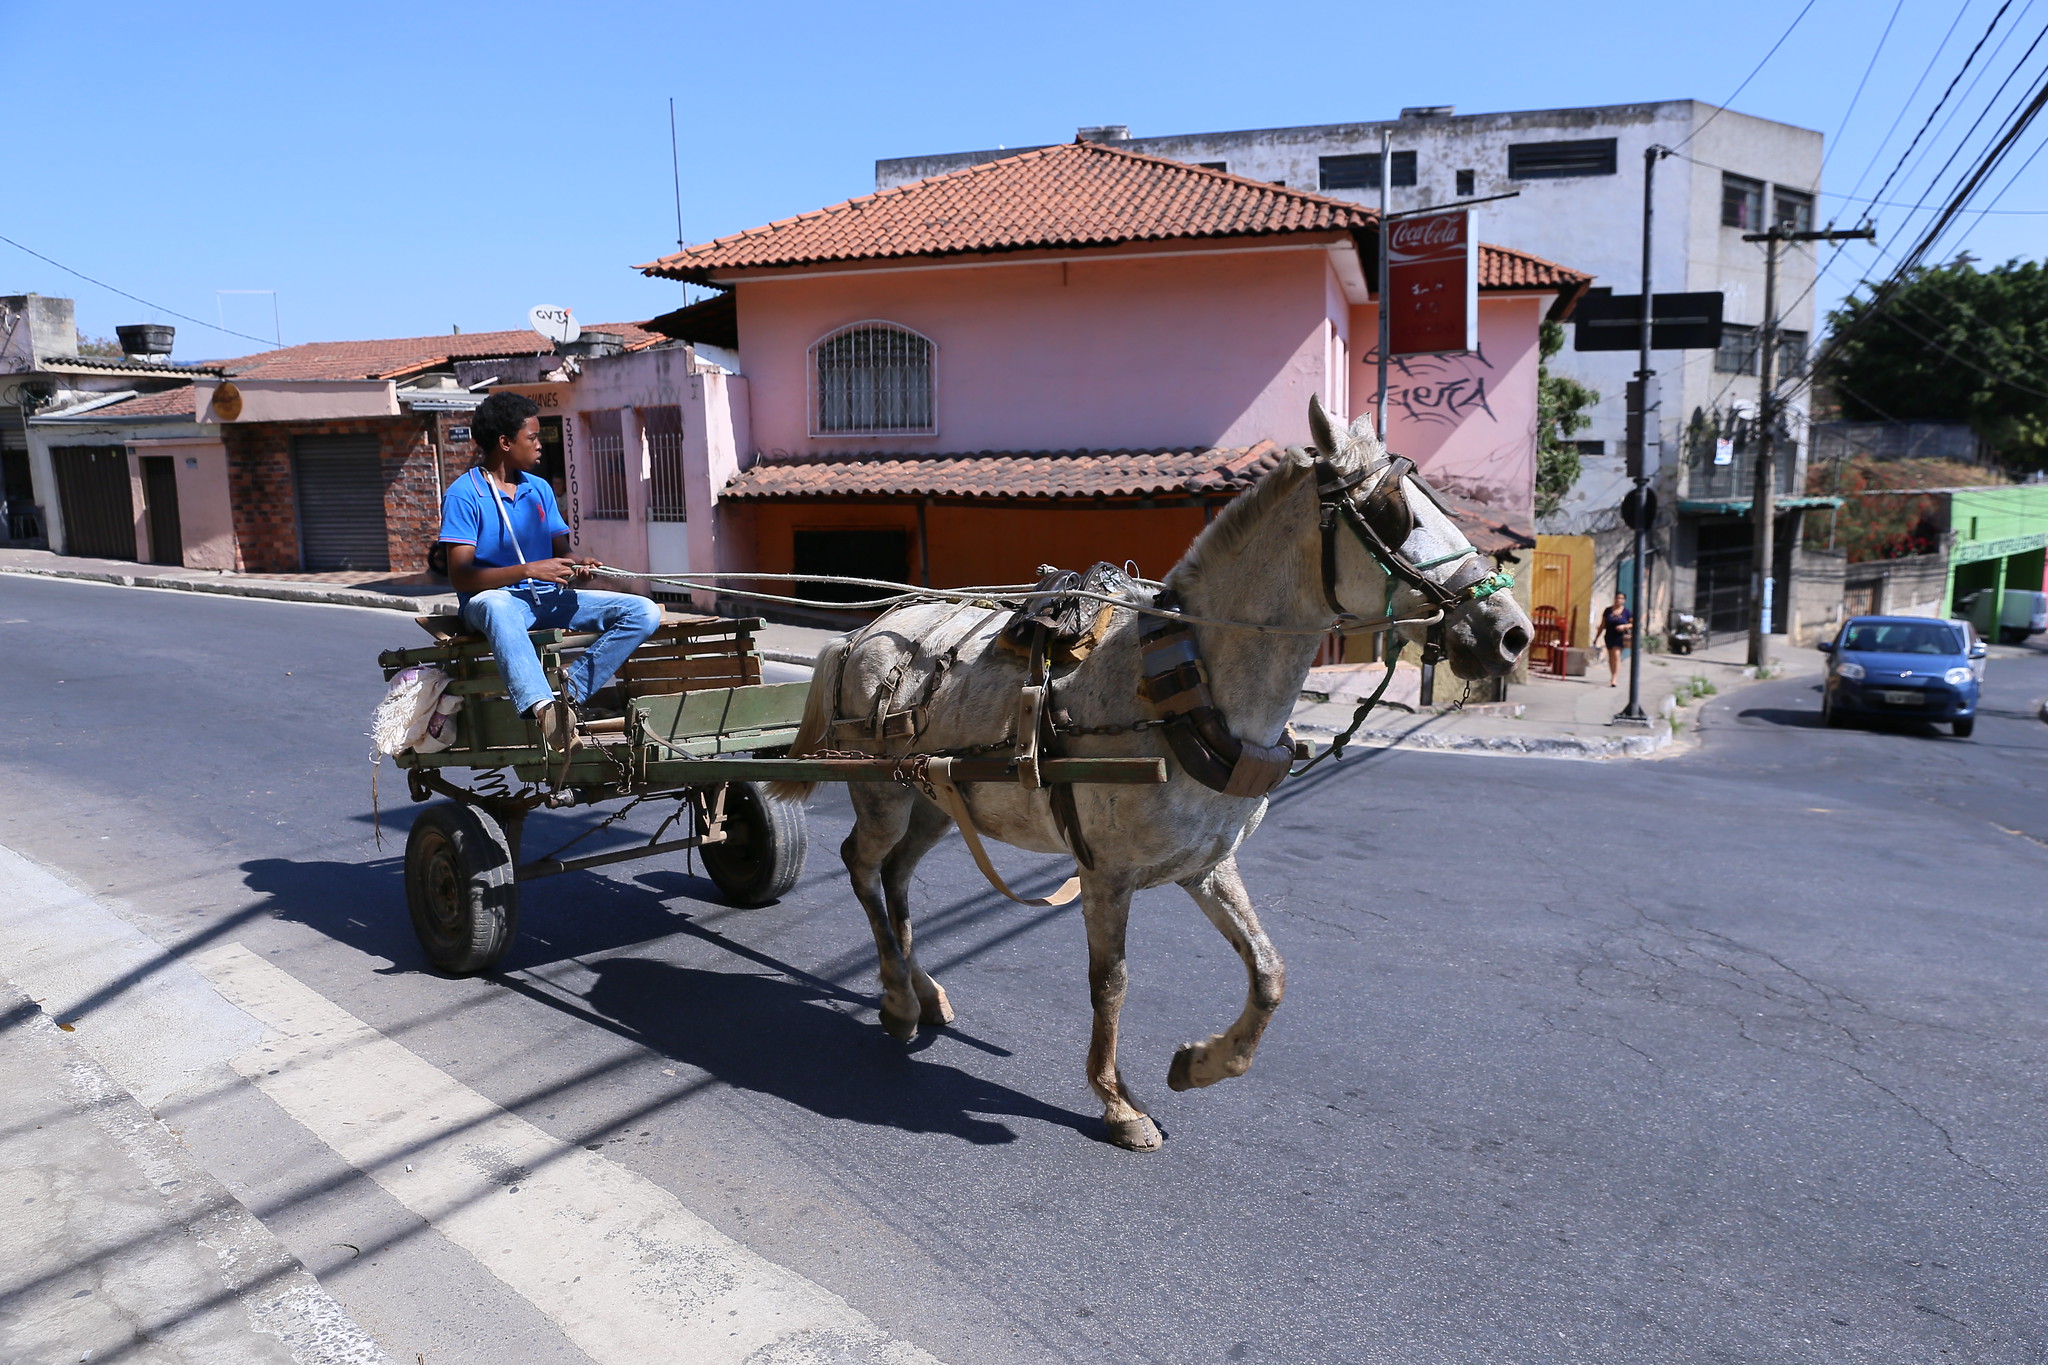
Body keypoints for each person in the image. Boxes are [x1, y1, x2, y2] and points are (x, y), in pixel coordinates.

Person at [439, 391, 660, 754]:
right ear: (505, 442)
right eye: (532, 437)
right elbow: (462, 577)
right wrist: (527, 570)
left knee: (643, 612)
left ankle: (567, 698)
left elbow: (562, 552)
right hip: (493, 602)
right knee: (497, 606)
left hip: (548, 597)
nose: (540, 444)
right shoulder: (464, 494)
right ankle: (543, 709)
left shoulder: (539, 489)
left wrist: (577, 565)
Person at [1597, 590, 1633, 688]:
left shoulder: (1626, 612)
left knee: (1617, 656)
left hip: (1620, 636)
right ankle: (1612, 675)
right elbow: (1602, 624)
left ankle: (1614, 679)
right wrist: (1596, 637)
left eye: (1621, 598)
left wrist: (1624, 626)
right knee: (1611, 657)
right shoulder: (1608, 610)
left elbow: (1633, 623)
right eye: (1617, 598)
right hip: (1609, 635)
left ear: (1624, 600)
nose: (1619, 600)